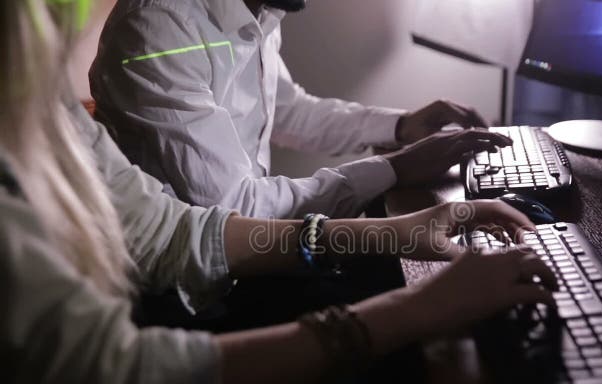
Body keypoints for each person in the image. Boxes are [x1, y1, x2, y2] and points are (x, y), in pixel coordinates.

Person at [0, 0, 556, 384]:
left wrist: (398, 208)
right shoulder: (157, 29)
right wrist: (411, 302)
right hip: (189, 302)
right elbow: (123, 380)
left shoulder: (52, 105)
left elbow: (182, 228)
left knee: (423, 290)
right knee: (447, 359)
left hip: (223, 262)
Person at [88, 0, 509, 219]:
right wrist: (395, 168)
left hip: (251, 250)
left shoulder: (258, 10)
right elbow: (236, 208)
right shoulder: (159, 29)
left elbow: (287, 112)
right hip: (198, 297)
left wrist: (399, 126)